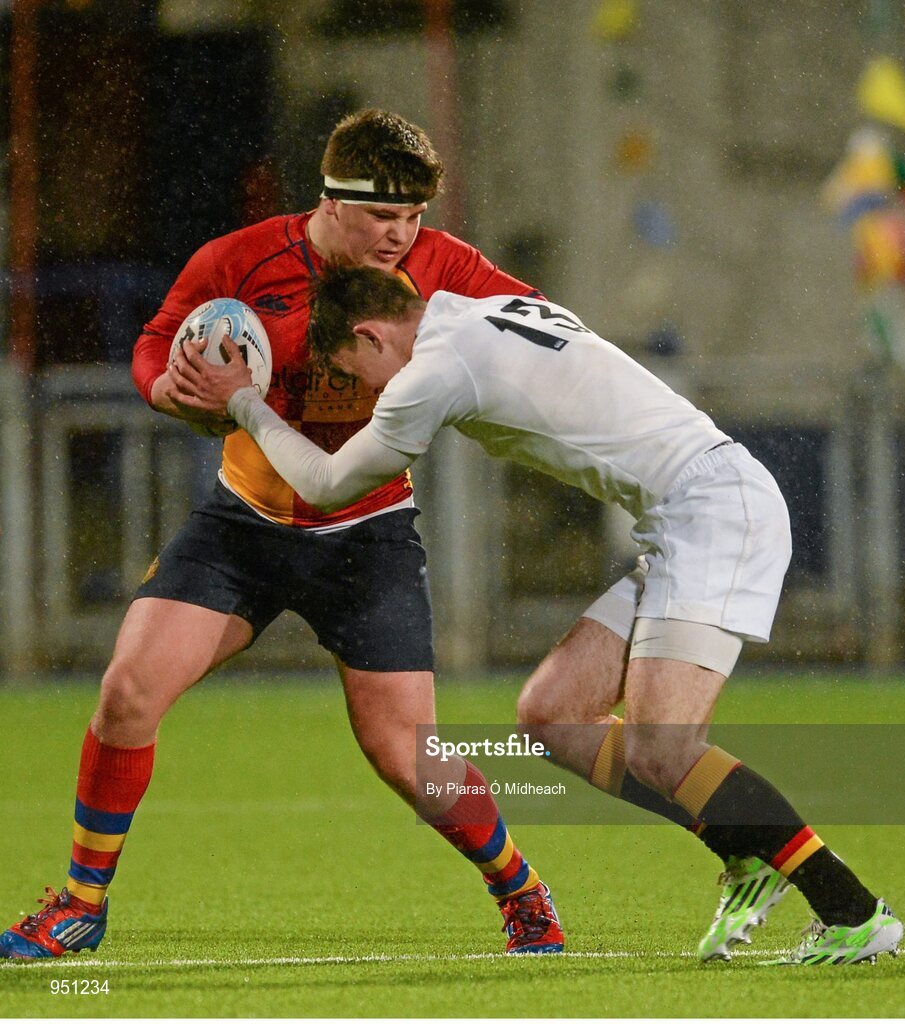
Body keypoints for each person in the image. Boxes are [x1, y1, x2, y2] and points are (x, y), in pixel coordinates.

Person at [165, 263, 905, 967]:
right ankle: (745, 849)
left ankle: (851, 910)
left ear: (370, 335)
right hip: (685, 513)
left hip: (713, 511)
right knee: (552, 714)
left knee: (664, 751)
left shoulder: (431, 371)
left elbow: (326, 483)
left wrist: (243, 404)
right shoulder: (475, 312)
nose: (362, 393)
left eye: (356, 375)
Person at [0, 110, 564, 960]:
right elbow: (156, 348)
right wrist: (173, 392)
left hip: (365, 536)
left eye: (413, 217)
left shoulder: (441, 266)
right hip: (244, 527)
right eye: (383, 217)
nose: (401, 236)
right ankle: (80, 906)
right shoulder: (240, 260)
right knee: (127, 693)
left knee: (408, 758)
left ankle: (520, 889)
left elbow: (541, 323)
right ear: (330, 201)